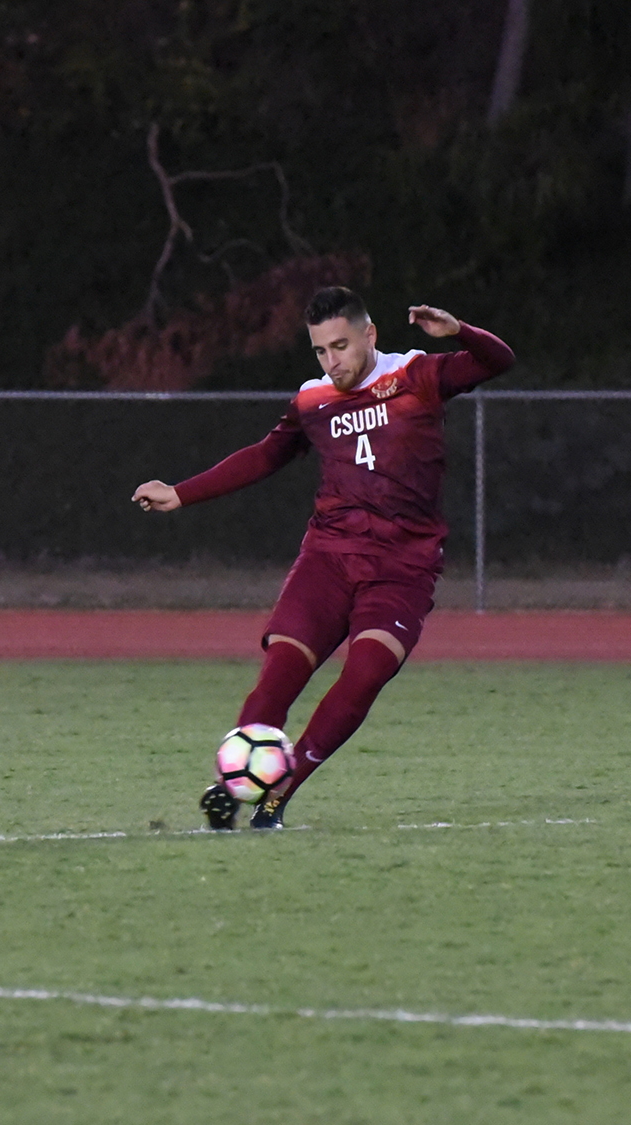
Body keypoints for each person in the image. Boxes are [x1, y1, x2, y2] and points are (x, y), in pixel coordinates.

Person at [132, 286, 516, 829]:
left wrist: (458, 331)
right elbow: (266, 455)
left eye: (340, 346)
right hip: (329, 559)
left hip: (402, 567)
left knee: (364, 675)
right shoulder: (312, 401)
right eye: (320, 351)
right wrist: (182, 491)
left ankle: (276, 794)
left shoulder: (416, 375)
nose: (331, 362)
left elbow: (498, 360)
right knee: (278, 676)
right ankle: (233, 785)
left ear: (369, 335)